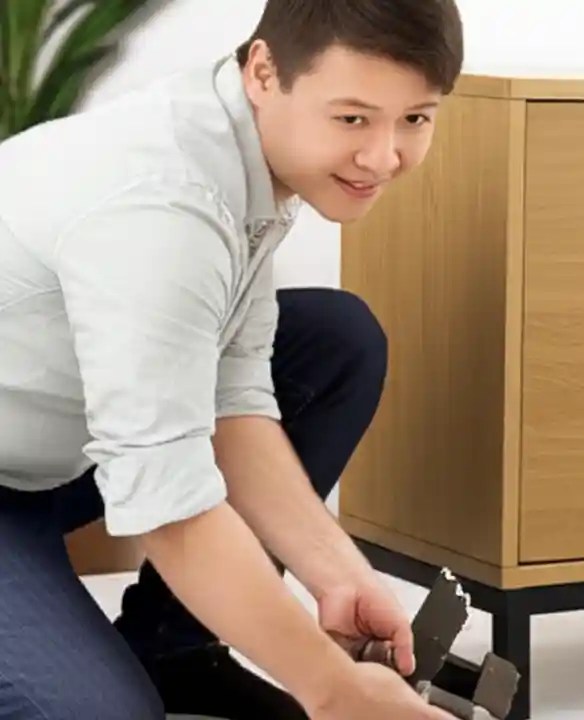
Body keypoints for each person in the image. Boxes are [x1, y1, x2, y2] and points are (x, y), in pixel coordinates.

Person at [0, 1, 463, 718]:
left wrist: (337, 573)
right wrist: (334, 691)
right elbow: (165, 496)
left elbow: (231, 396)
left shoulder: (246, 146)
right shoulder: (167, 205)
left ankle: (174, 650)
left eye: (415, 118)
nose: (383, 157)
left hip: (44, 450)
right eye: (353, 118)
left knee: (334, 341)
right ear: (264, 71)